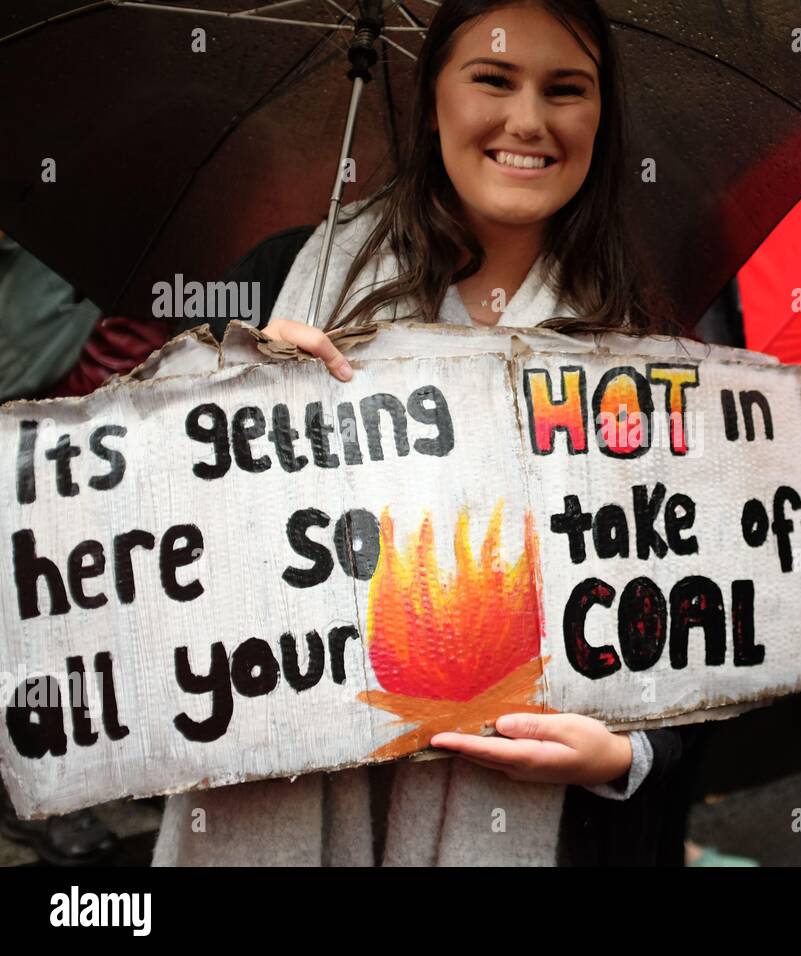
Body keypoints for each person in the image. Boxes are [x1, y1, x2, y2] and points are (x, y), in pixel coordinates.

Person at [155, 0, 690, 867]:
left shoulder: (655, 354)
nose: (528, 121)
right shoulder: (282, 284)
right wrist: (222, 404)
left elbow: (710, 628)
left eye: (567, 90)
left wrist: (628, 755)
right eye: (492, 79)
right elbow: (161, 567)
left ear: (604, 118)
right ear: (432, 96)